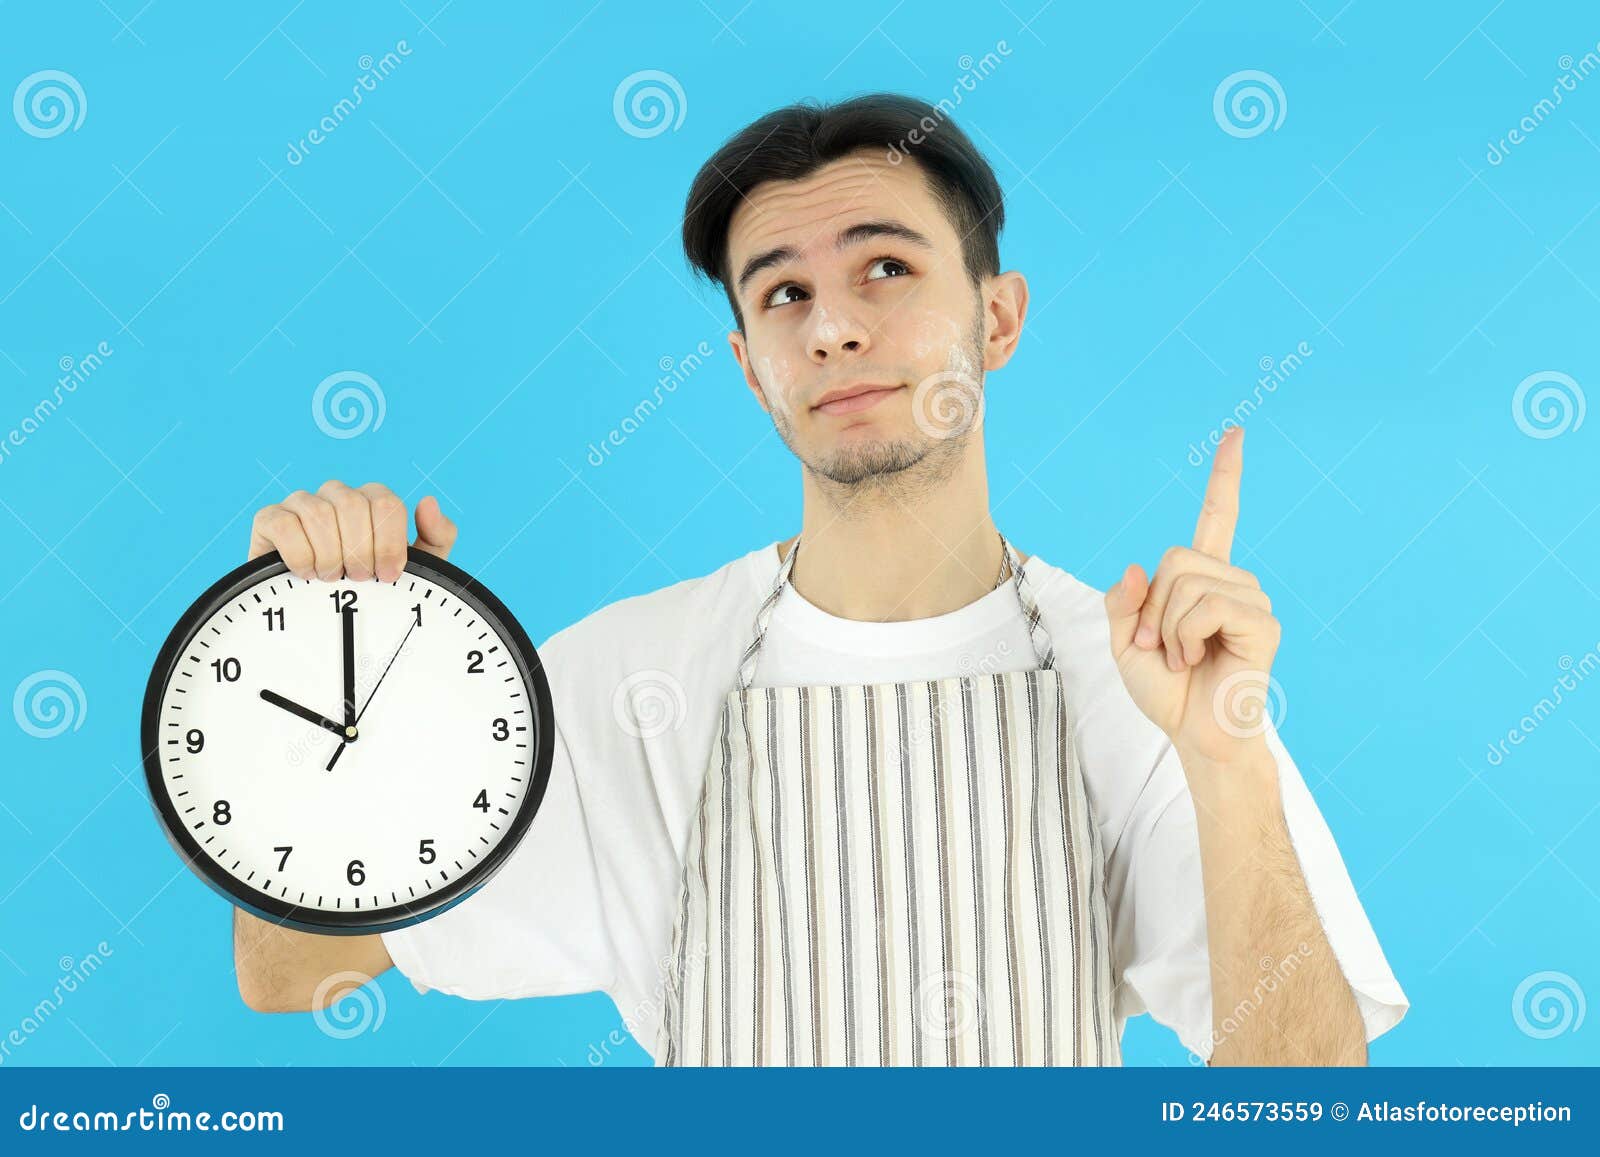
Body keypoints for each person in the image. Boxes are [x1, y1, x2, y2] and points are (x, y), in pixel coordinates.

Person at [234, 92, 1408, 1066]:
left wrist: (1225, 759)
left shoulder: (1140, 679)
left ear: (996, 318)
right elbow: (295, 968)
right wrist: (305, 655)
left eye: (885, 268)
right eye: (783, 292)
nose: (832, 328)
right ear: (750, 367)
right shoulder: (617, 679)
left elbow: (1301, 1101)